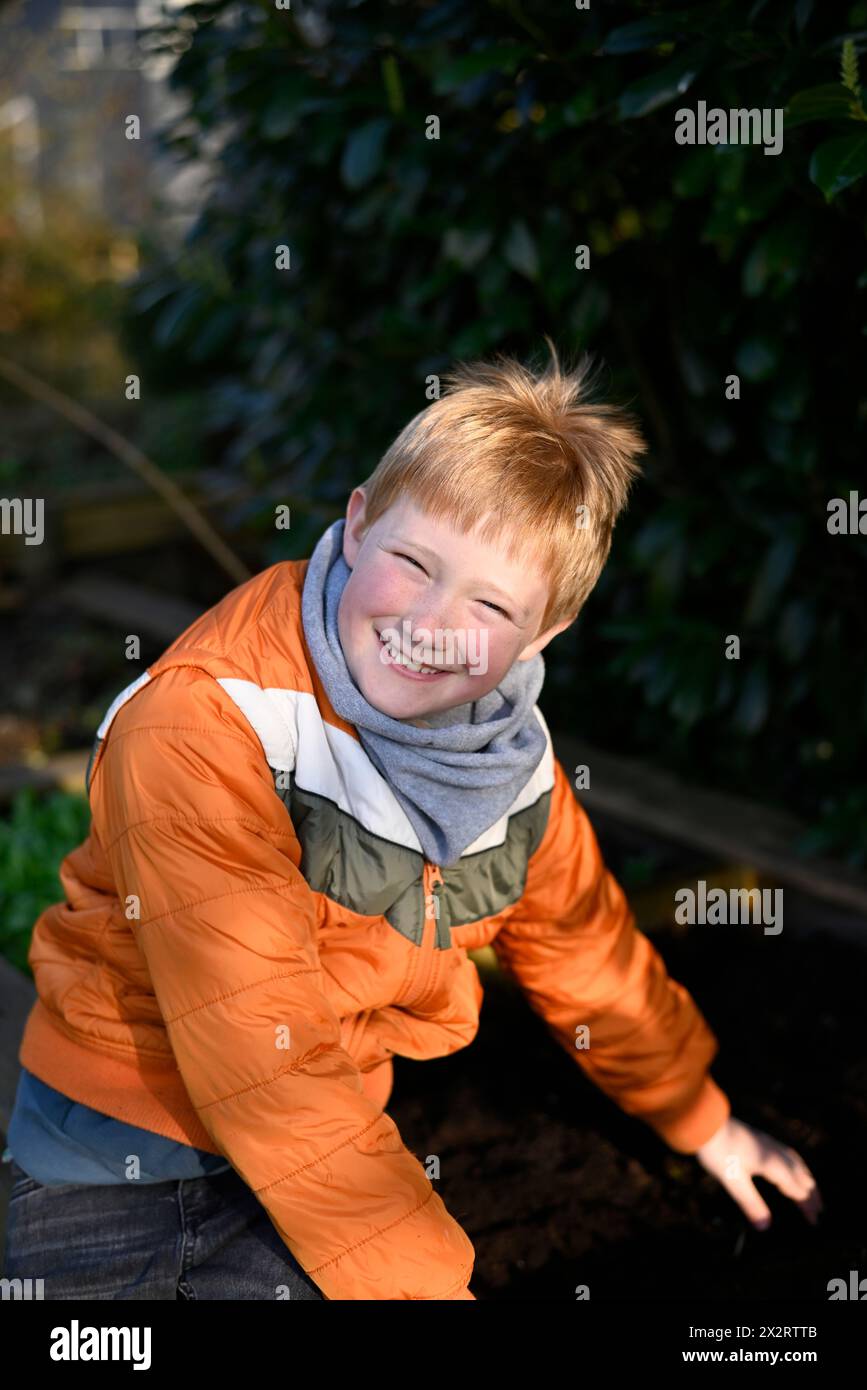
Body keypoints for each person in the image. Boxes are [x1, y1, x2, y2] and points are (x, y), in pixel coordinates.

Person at [1, 341, 821, 1300]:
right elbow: (265, 1059)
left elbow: (580, 949)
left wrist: (701, 1117)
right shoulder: (207, 723)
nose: (431, 621)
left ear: (543, 633)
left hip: (314, 1163)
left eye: (488, 601)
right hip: (119, 1153)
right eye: (412, 561)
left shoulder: (504, 762)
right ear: (355, 525)